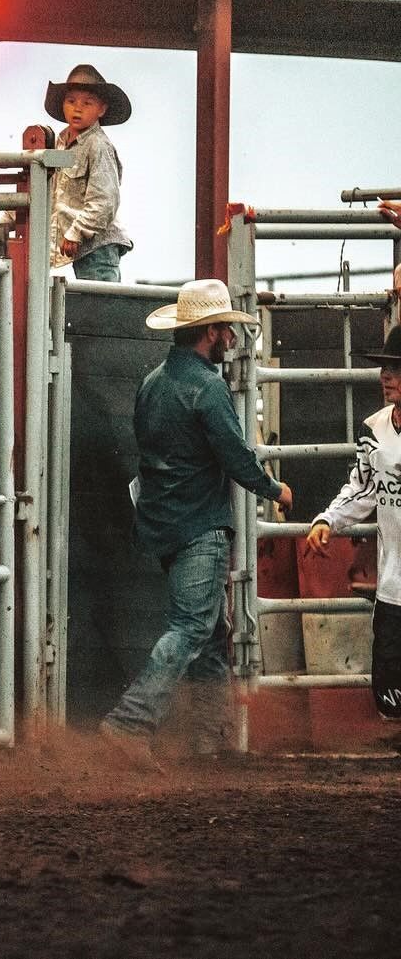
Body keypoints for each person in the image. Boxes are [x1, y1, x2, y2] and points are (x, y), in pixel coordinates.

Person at [99, 279, 293, 767]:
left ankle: (211, 738)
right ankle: (131, 720)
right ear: (209, 332)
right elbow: (236, 457)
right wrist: (275, 489)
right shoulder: (206, 388)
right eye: (226, 328)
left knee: (208, 629)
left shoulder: (152, 384)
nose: (230, 337)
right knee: (192, 626)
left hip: (164, 524)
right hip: (199, 525)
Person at [303, 315, 401, 721]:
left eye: (396, 368)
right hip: (395, 586)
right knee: (389, 695)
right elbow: (361, 489)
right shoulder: (376, 430)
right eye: (385, 367)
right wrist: (328, 519)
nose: (386, 376)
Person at [44, 64, 133, 282]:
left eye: (87, 103)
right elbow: (46, 191)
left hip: (97, 246)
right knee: (85, 303)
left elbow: (105, 199)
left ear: (101, 109)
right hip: (79, 245)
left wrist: (78, 231)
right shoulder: (60, 144)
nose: (77, 108)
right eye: (71, 101)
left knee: (99, 305)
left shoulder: (98, 145)